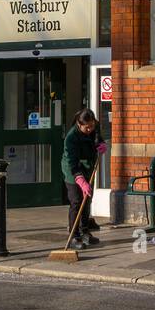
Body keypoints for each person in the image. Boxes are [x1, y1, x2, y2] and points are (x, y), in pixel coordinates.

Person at [61, 107, 107, 249]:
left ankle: (84, 231)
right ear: (79, 124)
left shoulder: (95, 125)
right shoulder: (71, 138)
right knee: (76, 201)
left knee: (87, 200)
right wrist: (80, 181)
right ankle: (74, 236)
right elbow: (72, 162)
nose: (90, 129)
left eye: (92, 126)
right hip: (72, 170)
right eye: (86, 128)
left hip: (88, 167)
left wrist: (101, 144)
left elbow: (98, 137)